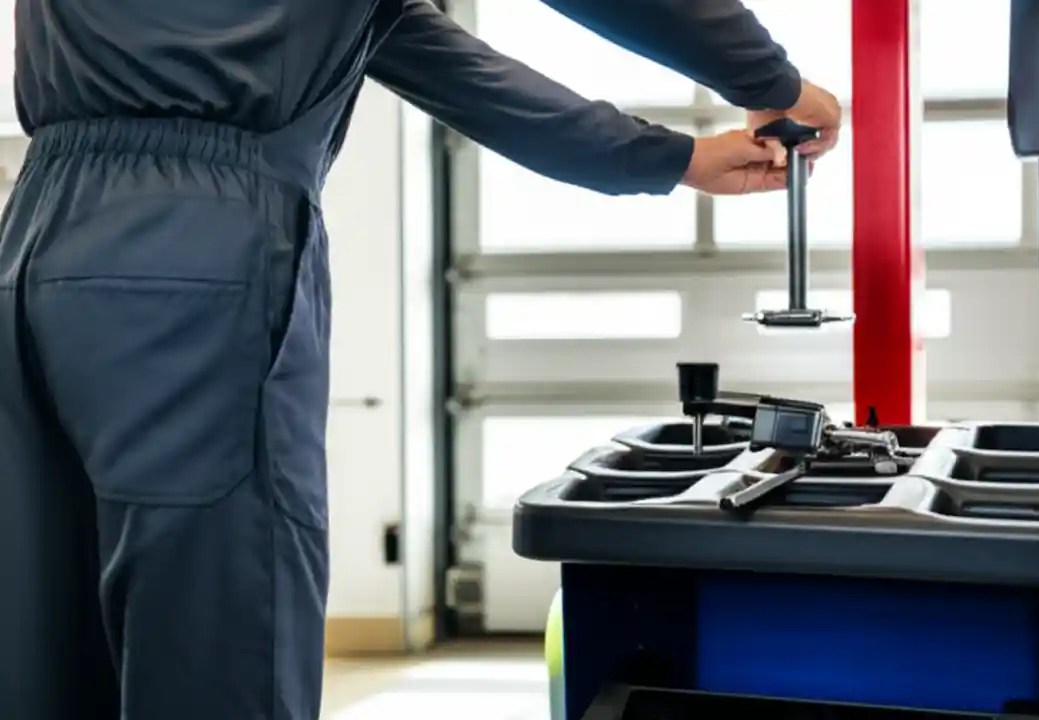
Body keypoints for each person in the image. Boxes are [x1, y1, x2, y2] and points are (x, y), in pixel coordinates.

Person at [0, 1, 841, 718]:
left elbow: (414, 44)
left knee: (50, 644)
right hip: (194, 260)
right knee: (218, 643)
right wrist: (769, 81)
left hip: (38, 246)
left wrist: (670, 159)